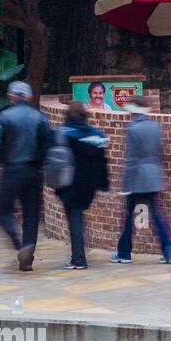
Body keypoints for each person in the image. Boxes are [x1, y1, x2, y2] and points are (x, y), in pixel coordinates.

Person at [0, 80, 53, 271]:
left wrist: (0, 160)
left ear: (12, 96)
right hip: (34, 171)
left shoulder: (5, 116)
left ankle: (18, 243)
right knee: (31, 214)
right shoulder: (40, 117)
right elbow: (47, 145)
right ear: (29, 96)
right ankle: (28, 250)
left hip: (12, 170)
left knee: (2, 210)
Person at [111, 94, 171, 264]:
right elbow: (160, 152)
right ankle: (169, 251)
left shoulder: (133, 129)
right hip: (154, 176)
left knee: (128, 217)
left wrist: (125, 184)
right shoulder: (155, 126)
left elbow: (131, 158)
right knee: (157, 215)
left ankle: (124, 253)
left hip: (137, 179)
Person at [56, 101, 109, 269]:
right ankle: (80, 250)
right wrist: (103, 184)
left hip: (69, 183)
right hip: (89, 185)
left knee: (74, 218)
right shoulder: (96, 135)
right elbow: (102, 161)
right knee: (78, 216)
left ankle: (78, 259)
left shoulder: (62, 134)